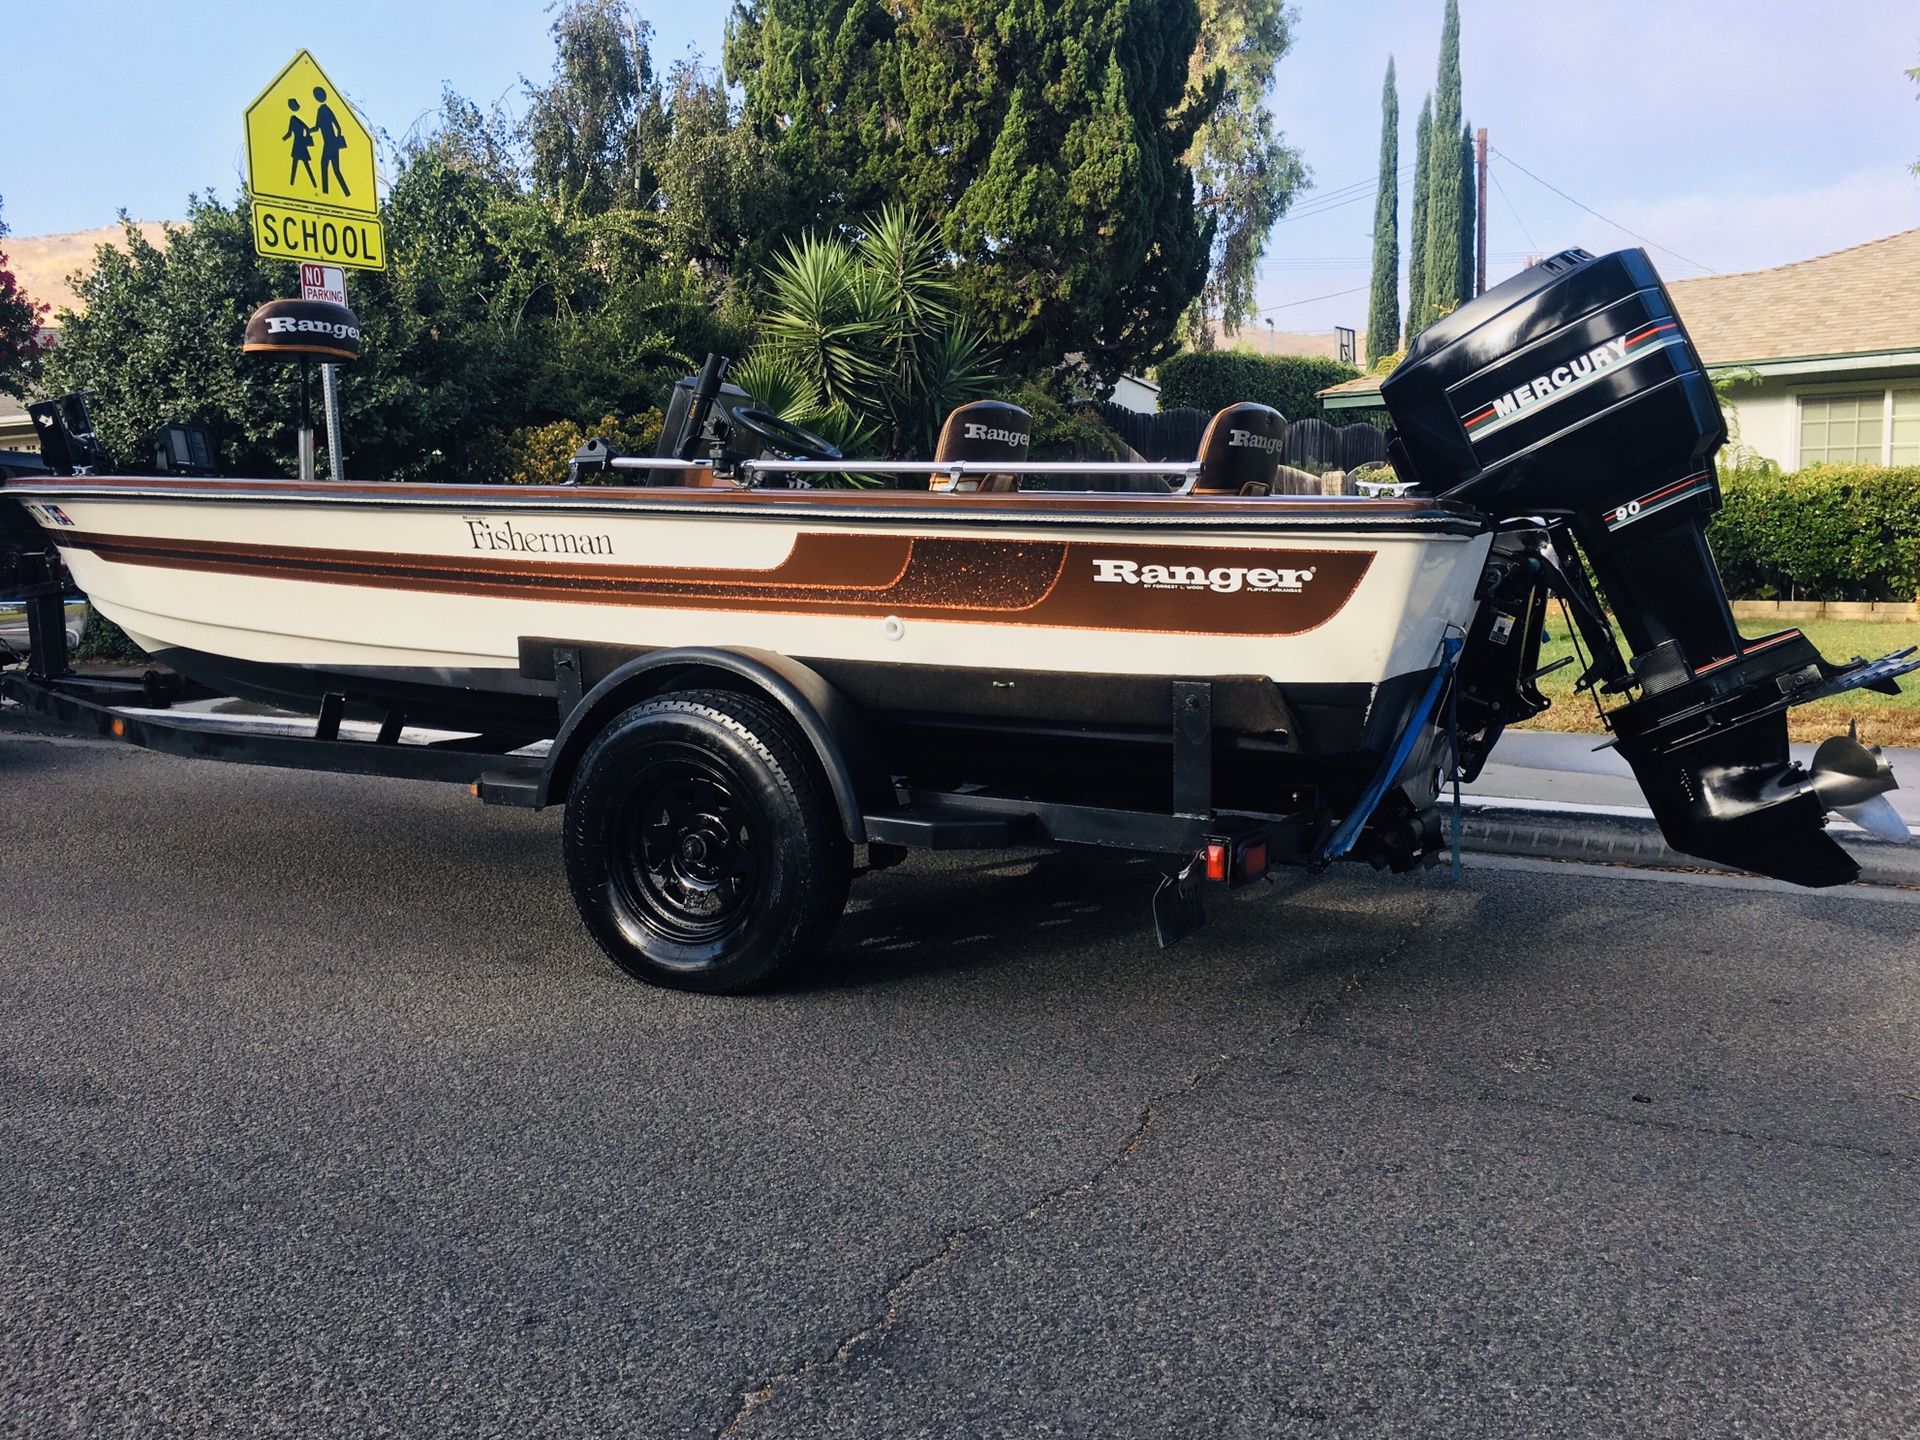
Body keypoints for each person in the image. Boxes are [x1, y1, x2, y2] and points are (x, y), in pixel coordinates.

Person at [312, 86, 350, 198]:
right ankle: (346, 192)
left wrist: (308, 131)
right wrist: (336, 140)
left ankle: (325, 192)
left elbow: (317, 127)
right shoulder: (327, 110)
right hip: (332, 143)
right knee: (335, 169)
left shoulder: (322, 110)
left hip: (329, 143)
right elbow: (338, 127)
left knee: (324, 166)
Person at [283, 98, 316, 188]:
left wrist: (283, 140)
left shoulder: (294, 119)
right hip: (300, 143)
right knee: (302, 165)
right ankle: (313, 184)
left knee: (298, 165)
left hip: (298, 144)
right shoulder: (298, 120)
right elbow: (307, 129)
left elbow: (289, 133)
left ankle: (292, 184)